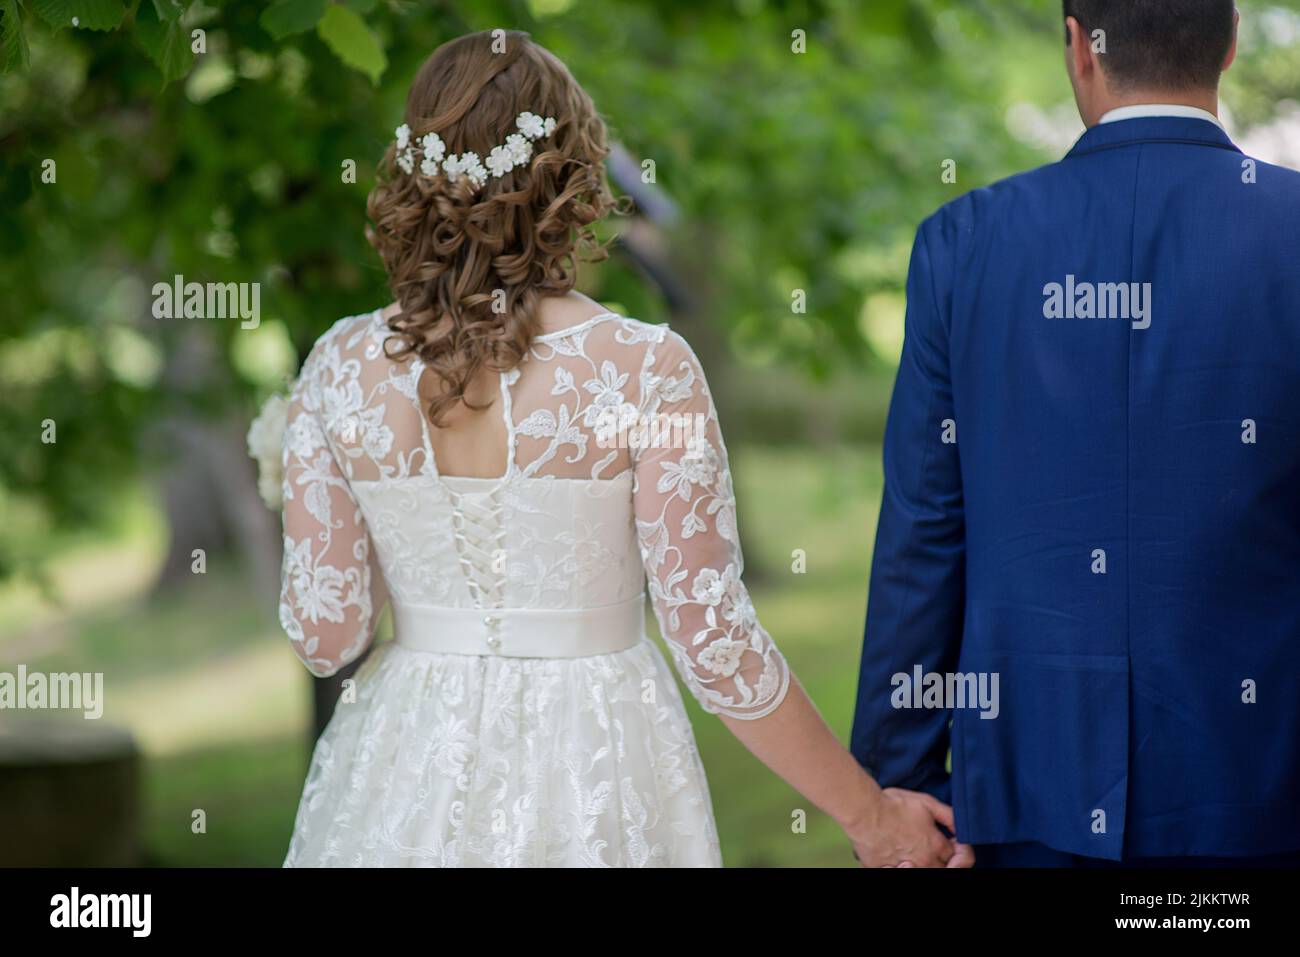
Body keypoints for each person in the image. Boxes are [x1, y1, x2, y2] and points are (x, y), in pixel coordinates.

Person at [274, 29, 970, 868]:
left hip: (402, 764)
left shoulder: (337, 368)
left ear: (420, 173)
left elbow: (326, 634)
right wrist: (871, 816)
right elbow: (712, 640)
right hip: (592, 750)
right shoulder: (646, 366)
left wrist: (395, 510)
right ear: (571, 179)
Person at [852, 0, 1300, 867]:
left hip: (1027, 796)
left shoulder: (966, 242)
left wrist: (896, 785)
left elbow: (925, 538)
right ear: (1232, 41)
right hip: (1263, 790)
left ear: (1077, 49)